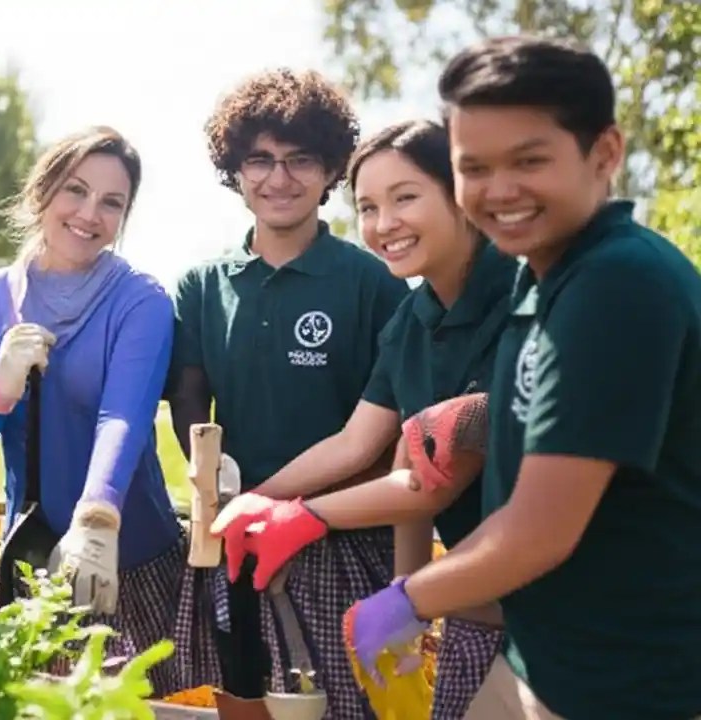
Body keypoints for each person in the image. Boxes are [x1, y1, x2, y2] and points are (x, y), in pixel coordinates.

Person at [343, 35, 701, 720]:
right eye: (473, 167)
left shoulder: (616, 284)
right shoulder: (544, 287)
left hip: (636, 681)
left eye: (529, 161)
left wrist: (404, 601)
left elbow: (539, 531)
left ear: (605, 153)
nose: (498, 191)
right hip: (543, 661)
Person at [210, 119, 517, 719]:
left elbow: (440, 472)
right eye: (369, 207)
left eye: (405, 197)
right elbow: (361, 444)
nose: (384, 224)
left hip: (579, 611)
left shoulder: (522, 298)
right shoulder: (409, 326)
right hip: (478, 609)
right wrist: (255, 502)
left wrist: (301, 516)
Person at [166, 68, 410, 717]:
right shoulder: (202, 284)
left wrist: (293, 507)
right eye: (260, 160)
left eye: (300, 159)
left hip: (342, 539)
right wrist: (209, 477)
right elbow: (188, 395)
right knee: (243, 695)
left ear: (332, 168)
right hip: (236, 534)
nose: (279, 179)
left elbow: (384, 433)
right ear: (235, 170)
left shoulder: (373, 283)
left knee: (348, 704)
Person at [0, 125, 184, 696]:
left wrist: (97, 521)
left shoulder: (141, 300)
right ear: (40, 193)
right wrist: (2, 384)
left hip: (128, 557)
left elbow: (122, 417)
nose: (89, 213)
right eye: (75, 190)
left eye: (112, 202)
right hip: (30, 559)